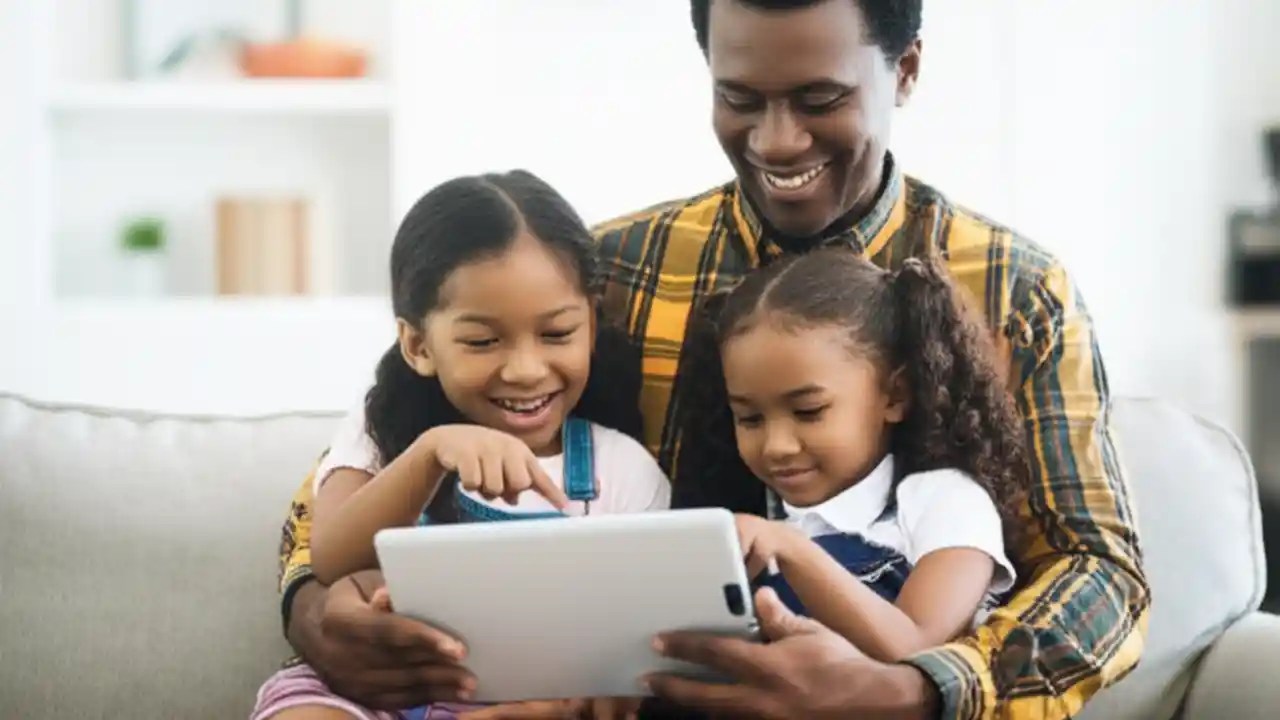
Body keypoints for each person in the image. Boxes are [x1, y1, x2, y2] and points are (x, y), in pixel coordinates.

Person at [270, 1, 1150, 719]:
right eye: (740, 98)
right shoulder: (605, 273)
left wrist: (908, 693)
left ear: (905, 71)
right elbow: (383, 444)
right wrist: (314, 612)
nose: (775, 141)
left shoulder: (1012, 290)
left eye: (818, 98)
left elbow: (1101, 573)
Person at [251, 170, 670, 720]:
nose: (525, 370)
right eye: (482, 341)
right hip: (367, 695)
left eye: (558, 334)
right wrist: (428, 455)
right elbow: (330, 561)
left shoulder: (621, 469)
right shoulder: (380, 427)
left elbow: (635, 638)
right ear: (418, 344)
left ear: (591, 323)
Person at [674, 249, 1026, 663]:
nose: (776, 446)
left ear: (894, 395)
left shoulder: (945, 501)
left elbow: (915, 646)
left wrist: (793, 550)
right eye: (749, 418)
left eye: (809, 412)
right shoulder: (761, 521)